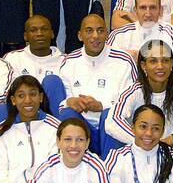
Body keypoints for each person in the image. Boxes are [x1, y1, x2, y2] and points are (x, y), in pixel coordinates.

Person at [50, 12, 138, 156]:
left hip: (111, 129)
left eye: (100, 30)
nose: (95, 36)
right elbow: (62, 104)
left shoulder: (124, 60)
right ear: (80, 36)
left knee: (110, 115)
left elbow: (132, 102)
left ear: (107, 34)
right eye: (89, 30)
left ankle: (110, 169)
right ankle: (72, 166)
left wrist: (101, 106)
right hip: (82, 128)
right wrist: (71, 101)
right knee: (67, 113)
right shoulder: (69, 61)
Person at [106, 39, 173, 152]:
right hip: (140, 150)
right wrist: (144, 141)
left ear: (172, 64)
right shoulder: (134, 91)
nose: (160, 66)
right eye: (153, 61)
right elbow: (113, 120)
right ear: (143, 65)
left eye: (165, 61)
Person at [105, 0, 173, 71]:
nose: (148, 14)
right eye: (143, 8)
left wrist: (142, 58)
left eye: (153, 7)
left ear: (160, 11)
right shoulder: (118, 34)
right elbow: (105, 61)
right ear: (135, 11)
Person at [4, 14, 65, 91]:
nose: (39, 34)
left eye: (44, 29)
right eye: (33, 30)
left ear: (52, 34)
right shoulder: (12, 58)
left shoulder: (66, 61)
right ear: (25, 36)